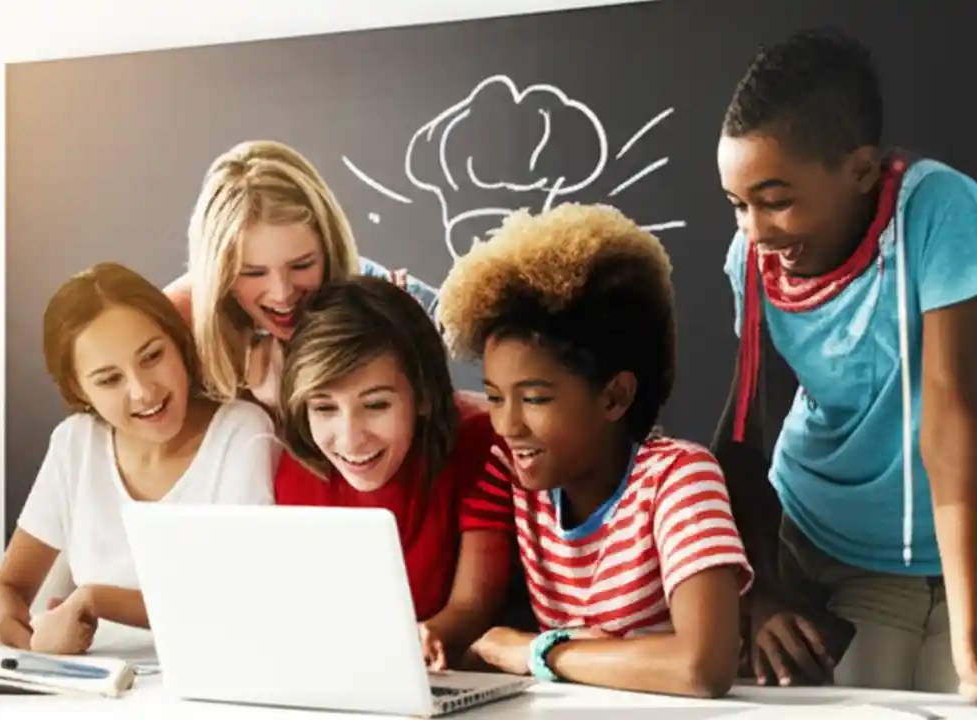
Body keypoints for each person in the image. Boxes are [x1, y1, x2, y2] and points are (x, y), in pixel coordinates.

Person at [711, 27, 977, 696]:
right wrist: (760, 594)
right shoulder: (753, 261)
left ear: (861, 171)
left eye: (776, 201)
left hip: (959, 546)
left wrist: (970, 634)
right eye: (738, 206)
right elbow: (742, 436)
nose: (756, 232)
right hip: (836, 551)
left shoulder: (939, 210)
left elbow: (949, 415)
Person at [438, 204, 753, 698]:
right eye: (495, 397)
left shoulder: (680, 477)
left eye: (535, 399)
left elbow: (702, 667)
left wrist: (540, 652)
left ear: (614, 396)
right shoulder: (511, 476)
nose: (506, 425)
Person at [0, 263, 276, 655]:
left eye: (152, 357)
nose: (143, 391)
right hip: (96, 687)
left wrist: (97, 600)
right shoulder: (76, 443)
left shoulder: (242, 432)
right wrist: (24, 637)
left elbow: (237, 603)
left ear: (178, 343)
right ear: (79, 389)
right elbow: (7, 589)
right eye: (109, 379)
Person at [273, 276, 515, 669]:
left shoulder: (477, 443)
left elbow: (471, 606)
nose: (350, 439)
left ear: (421, 395)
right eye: (324, 408)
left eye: (376, 405)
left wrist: (428, 636)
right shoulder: (296, 468)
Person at [164, 140, 440, 412]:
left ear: (330, 248)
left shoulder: (385, 297)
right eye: (253, 273)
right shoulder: (177, 321)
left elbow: (460, 316)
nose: (282, 292)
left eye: (302, 265)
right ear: (219, 273)